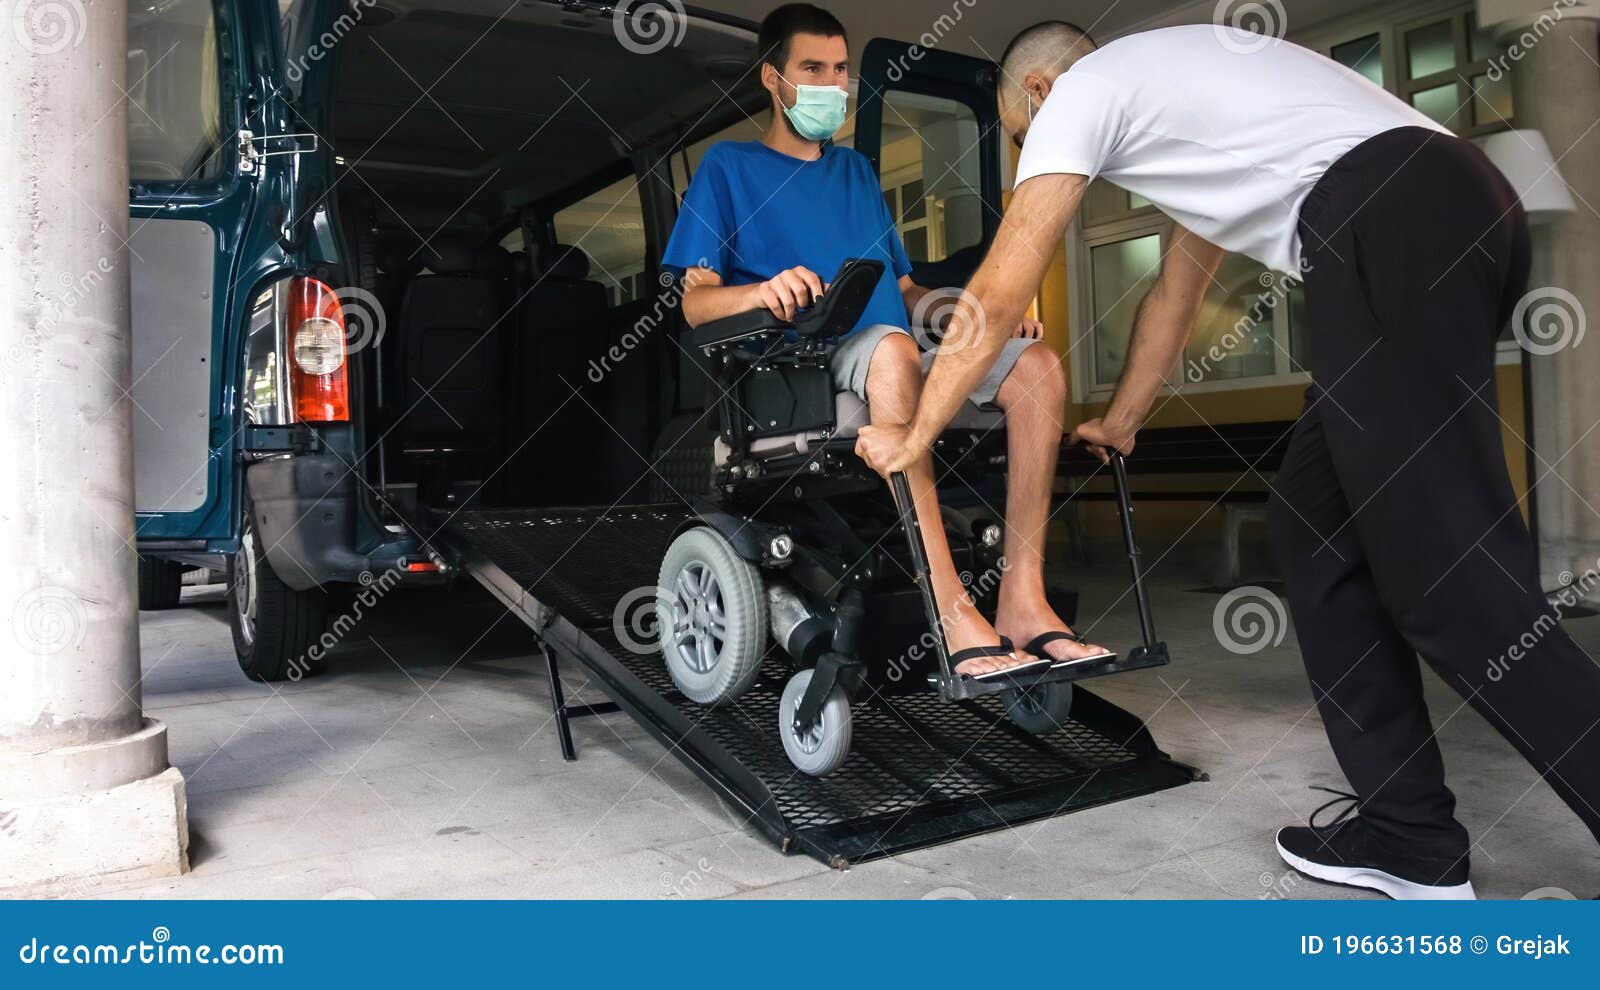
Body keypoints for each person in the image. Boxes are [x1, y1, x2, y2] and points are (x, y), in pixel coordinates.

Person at [855, 20, 1600, 900]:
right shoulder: (1182, 99)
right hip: (1452, 209)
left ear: (1037, 96)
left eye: (1024, 141)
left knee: (1448, 574)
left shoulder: (1079, 95)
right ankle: (1408, 837)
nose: (1036, 158)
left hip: (1389, 220)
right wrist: (1124, 418)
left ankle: (1434, 828)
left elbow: (1002, 284)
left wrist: (917, 432)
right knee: (1317, 532)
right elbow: (1179, 288)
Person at [661, 4, 1114, 681]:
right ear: (773, 79)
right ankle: (950, 605)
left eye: (840, 70)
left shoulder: (856, 175)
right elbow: (694, 304)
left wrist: (964, 311)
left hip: (891, 347)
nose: (831, 84)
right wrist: (759, 292)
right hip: (802, 370)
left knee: (1035, 367)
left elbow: (904, 294)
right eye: (812, 68)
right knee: (893, 349)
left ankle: (1023, 601)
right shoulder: (728, 169)